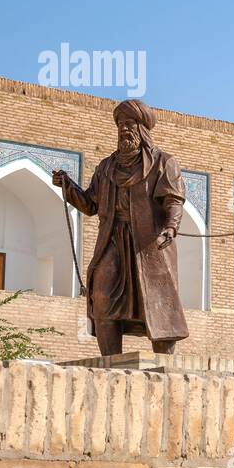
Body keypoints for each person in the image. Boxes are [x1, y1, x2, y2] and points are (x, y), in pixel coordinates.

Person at [52, 99, 189, 355]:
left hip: (148, 244)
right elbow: (91, 204)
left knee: (157, 303)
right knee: (102, 296)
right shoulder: (107, 167)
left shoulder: (163, 163)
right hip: (113, 239)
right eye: (121, 125)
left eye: (130, 124)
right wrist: (67, 187)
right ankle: (110, 362)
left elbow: (173, 199)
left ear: (142, 129)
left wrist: (170, 227)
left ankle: (165, 364)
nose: (125, 130)